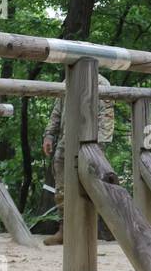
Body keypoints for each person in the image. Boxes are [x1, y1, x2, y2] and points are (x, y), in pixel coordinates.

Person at [41, 77, 116, 246]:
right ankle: (65, 229)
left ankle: (87, 231)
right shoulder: (68, 79)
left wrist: (100, 144)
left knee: (89, 185)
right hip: (66, 140)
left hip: (89, 140)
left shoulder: (101, 83)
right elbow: (57, 110)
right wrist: (49, 134)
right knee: (62, 186)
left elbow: (107, 115)